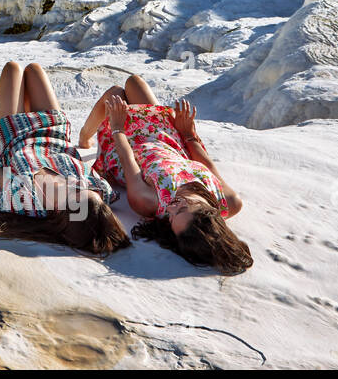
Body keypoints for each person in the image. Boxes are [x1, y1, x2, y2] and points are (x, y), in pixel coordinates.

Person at [78, 75, 252, 275]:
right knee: (134, 82)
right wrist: (188, 133)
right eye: (180, 209)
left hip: (131, 145)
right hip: (168, 141)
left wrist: (117, 127)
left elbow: (129, 162)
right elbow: (207, 166)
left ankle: (84, 136)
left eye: (170, 218)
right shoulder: (229, 202)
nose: (171, 208)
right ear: (205, 210)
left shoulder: (149, 201)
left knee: (115, 94)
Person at [0, 61, 130, 256]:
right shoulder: (100, 189)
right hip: (54, 131)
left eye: (74, 191)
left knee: (12, 69)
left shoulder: (30, 203)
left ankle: (21, 102)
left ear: (60, 212)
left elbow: (3, 179)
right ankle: (24, 101)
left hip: (14, 135)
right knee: (34, 69)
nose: (79, 184)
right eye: (86, 188)